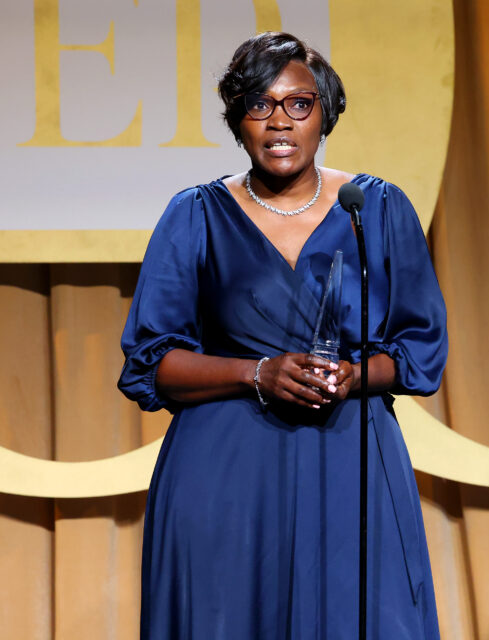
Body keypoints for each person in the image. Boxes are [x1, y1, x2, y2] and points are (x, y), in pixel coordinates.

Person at [119, 32, 446, 639]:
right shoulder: (195, 214)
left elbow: (419, 352)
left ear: (326, 113)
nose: (279, 122)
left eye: (298, 103)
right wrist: (258, 373)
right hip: (225, 469)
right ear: (237, 119)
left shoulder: (375, 208)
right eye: (259, 104)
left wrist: (354, 376)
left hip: (350, 458)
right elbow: (151, 362)